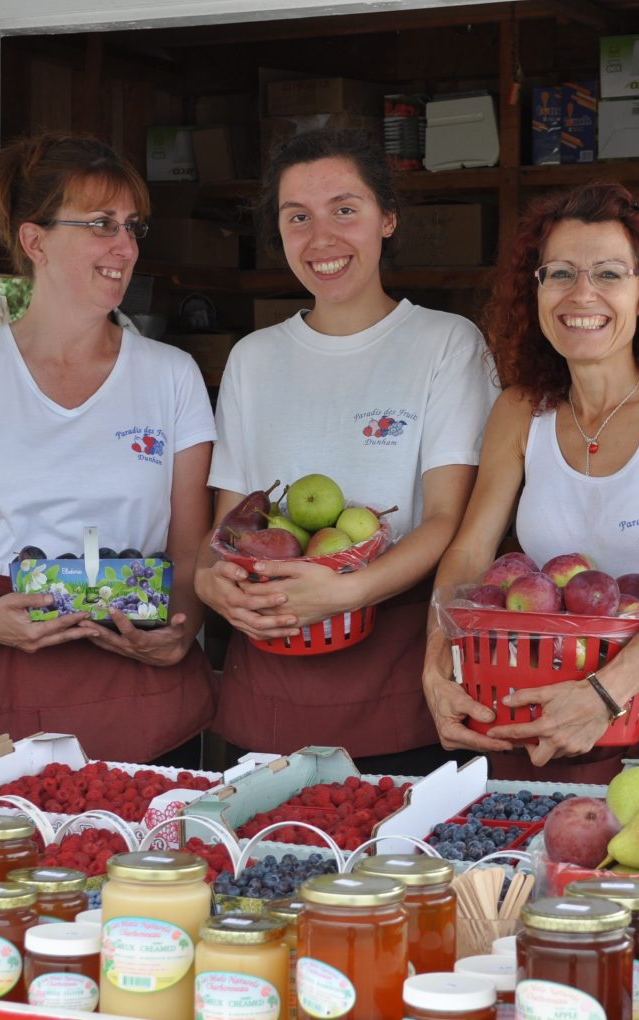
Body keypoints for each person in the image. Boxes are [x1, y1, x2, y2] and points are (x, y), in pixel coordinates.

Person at [0, 133, 217, 766]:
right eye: (101, 226)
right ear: (34, 240)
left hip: (136, 671)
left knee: (146, 865)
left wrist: (180, 634)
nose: (125, 248)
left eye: (131, 227)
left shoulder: (171, 375)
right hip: (0, 663)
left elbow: (190, 544)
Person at [420, 180, 639, 793]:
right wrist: (437, 665)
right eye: (560, 273)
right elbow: (468, 552)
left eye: (609, 274)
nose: (582, 294)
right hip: (533, 704)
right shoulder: (520, 411)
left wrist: (604, 696)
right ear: (535, 291)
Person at [194, 128, 498, 773]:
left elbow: (449, 519)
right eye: (297, 217)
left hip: (397, 659)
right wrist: (210, 585)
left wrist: (348, 591)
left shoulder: (445, 344)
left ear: (387, 219)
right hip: (271, 664)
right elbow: (230, 526)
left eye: (345, 210)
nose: (321, 238)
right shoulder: (254, 358)